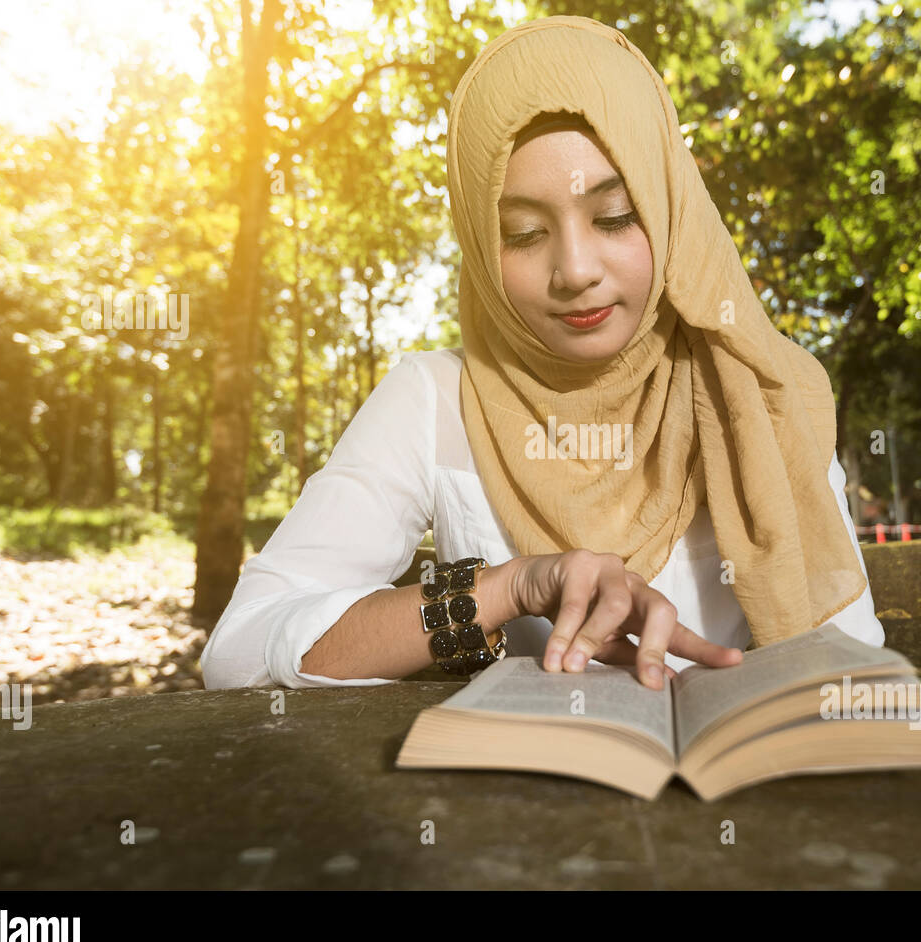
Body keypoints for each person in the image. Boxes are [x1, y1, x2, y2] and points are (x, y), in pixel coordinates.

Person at [200, 15, 884, 694]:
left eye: (615, 217)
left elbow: (849, 663)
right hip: (529, 800)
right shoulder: (434, 399)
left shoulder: (758, 389)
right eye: (524, 234)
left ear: (672, 210)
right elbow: (240, 651)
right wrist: (509, 589)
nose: (576, 269)